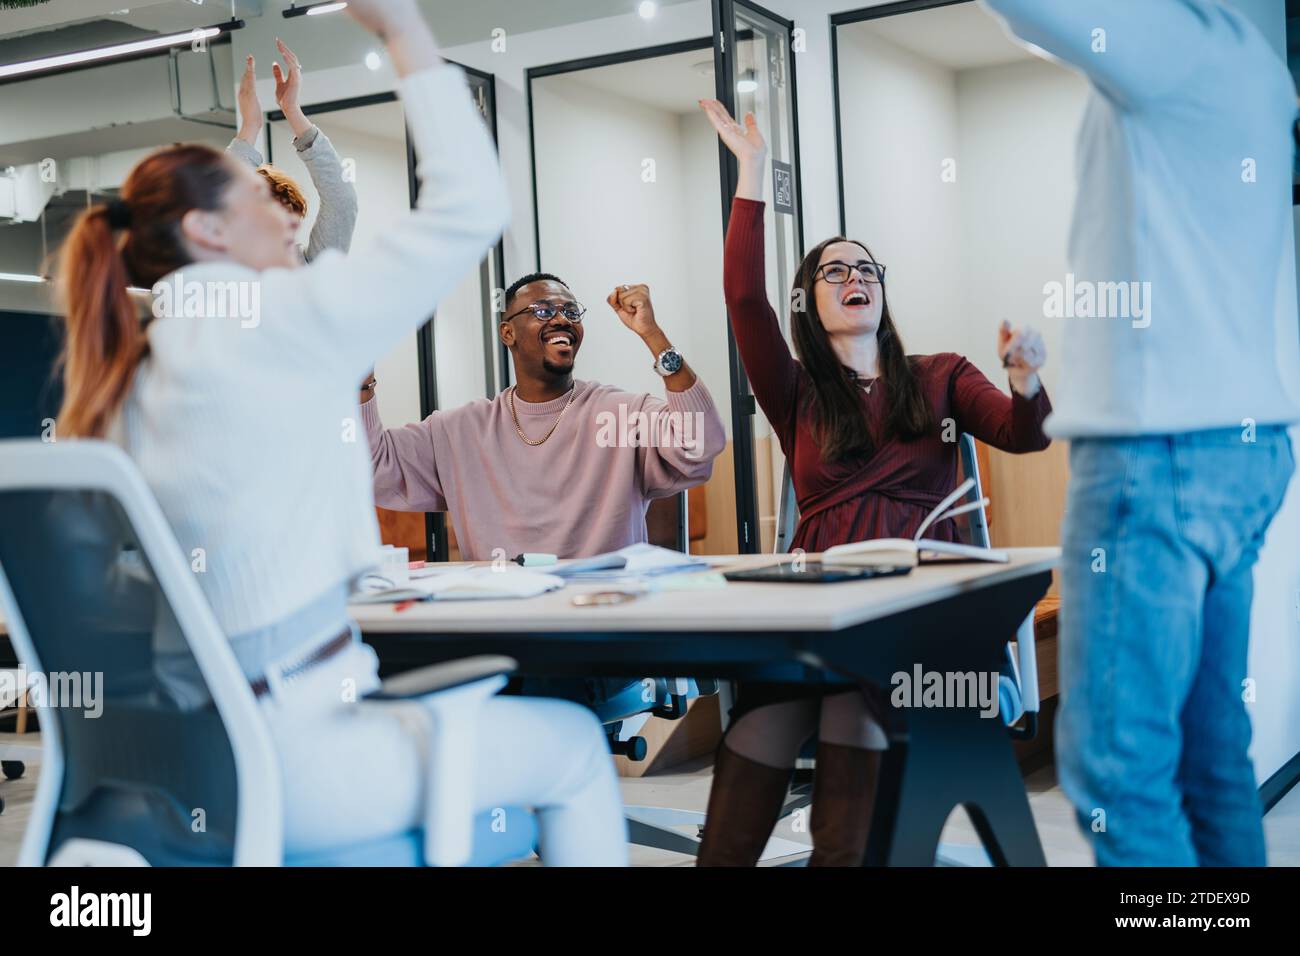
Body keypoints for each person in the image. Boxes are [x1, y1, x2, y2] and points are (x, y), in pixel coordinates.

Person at [53, 0, 626, 866]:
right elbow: (470, 208)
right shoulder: (283, 320)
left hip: (173, 775)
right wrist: (407, 37)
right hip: (299, 761)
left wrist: (243, 147)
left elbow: (180, 230)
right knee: (576, 746)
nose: (290, 219)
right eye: (262, 200)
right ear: (208, 231)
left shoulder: (124, 374)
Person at [694, 98, 1054, 866]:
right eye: (835, 271)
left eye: (866, 268)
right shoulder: (793, 391)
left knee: (851, 713)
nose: (855, 277)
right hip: (821, 611)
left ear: (881, 291)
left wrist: (1026, 381)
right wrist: (752, 171)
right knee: (759, 723)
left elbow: (1027, 437)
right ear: (810, 300)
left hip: (920, 612)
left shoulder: (944, 374)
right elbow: (741, 298)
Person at [981, 0, 1300, 866]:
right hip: (1236, 446)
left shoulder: (1172, 42)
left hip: (1160, 458)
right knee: (1210, 758)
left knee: (1119, 777)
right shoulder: (1251, 64)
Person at [362, 273, 725, 561]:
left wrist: (653, 336)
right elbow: (373, 465)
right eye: (541, 311)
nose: (560, 320)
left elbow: (702, 443)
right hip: (507, 623)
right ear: (508, 332)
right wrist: (360, 373)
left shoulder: (618, 414)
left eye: (571, 312)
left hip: (606, 617)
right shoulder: (461, 430)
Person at [229, 39, 358, 262]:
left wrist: (292, 110)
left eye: (290, 216)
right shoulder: (227, 270)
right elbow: (218, 194)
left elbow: (342, 203)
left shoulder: (310, 270)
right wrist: (251, 126)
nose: (286, 226)